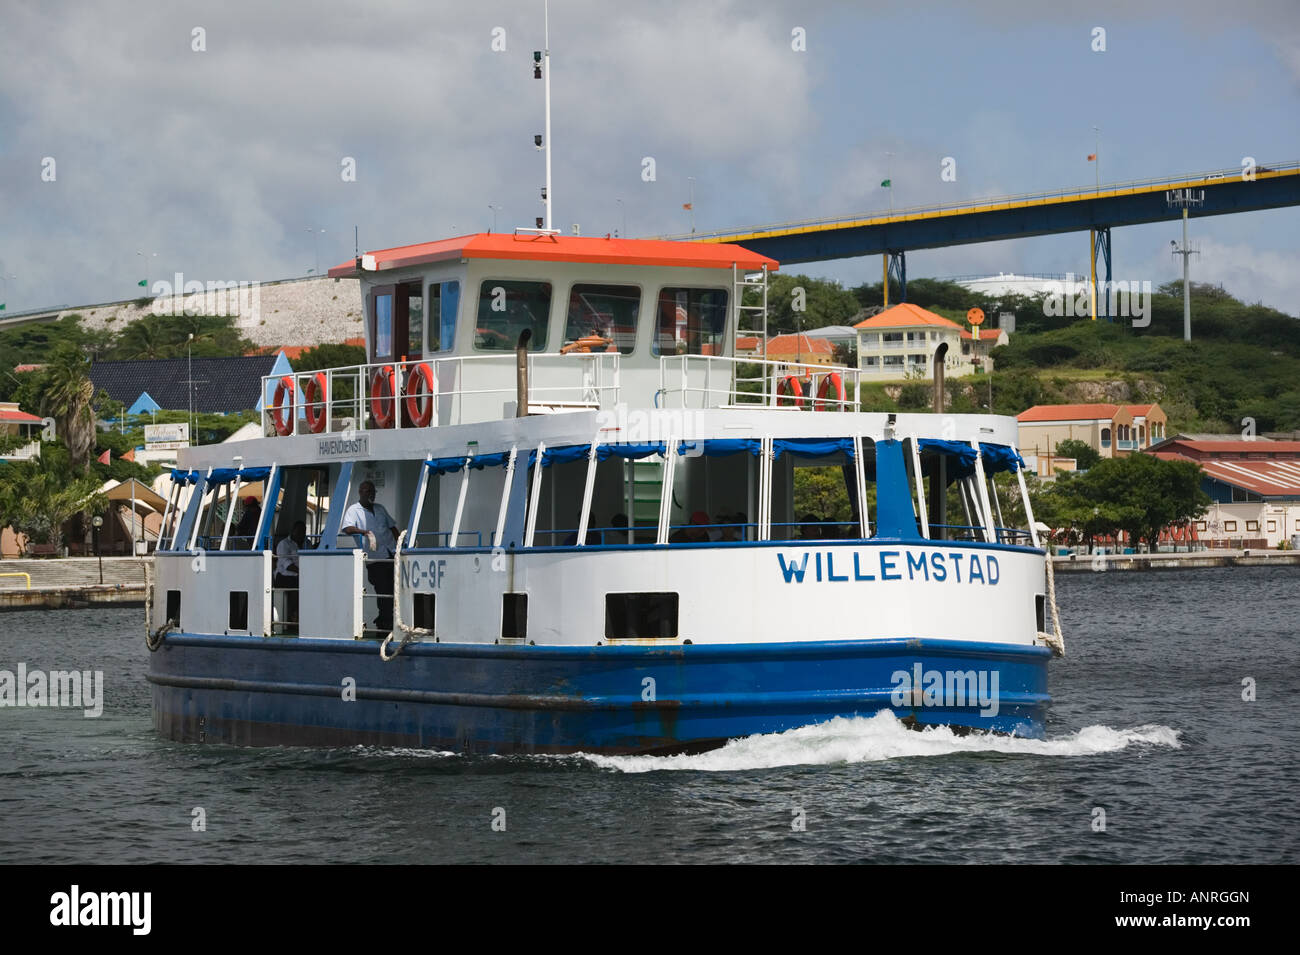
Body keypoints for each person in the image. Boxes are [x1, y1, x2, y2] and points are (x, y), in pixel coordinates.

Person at [340, 481, 400, 635]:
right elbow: (347, 528)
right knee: (383, 591)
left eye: (373, 492)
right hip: (375, 558)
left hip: (391, 554)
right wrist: (364, 532)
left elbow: (392, 527)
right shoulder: (354, 510)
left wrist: (401, 544)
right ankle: (384, 626)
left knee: (395, 590)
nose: (371, 494)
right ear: (360, 492)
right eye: (368, 491)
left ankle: (390, 623)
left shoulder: (380, 508)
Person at [274, 520, 306, 630]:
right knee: (297, 588)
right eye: (299, 531)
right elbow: (287, 564)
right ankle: (292, 619)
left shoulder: (307, 543)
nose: (301, 534)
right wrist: (303, 572)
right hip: (284, 576)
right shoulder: (284, 544)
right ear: (292, 531)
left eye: (303, 531)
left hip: (301, 575)